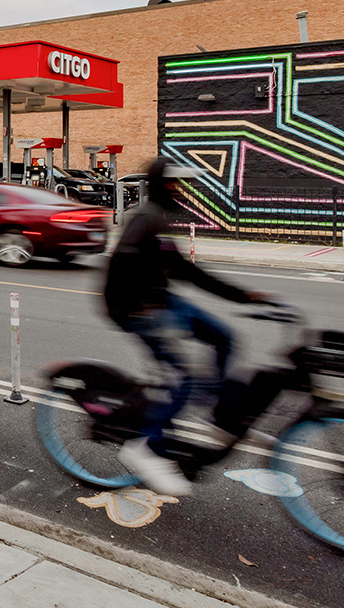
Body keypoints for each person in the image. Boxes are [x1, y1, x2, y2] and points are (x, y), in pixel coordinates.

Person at [102, 157, 265, 496]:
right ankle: (144, 446)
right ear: (161, 184)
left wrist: (243, 297)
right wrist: (143, 308)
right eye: (174, 184)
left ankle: (218, 415)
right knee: (183, 376)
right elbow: (121, 263)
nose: (180, 190)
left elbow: (186, 272)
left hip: (162, 303)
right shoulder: (145, 218)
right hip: (138, 309)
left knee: (224, 337)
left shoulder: (159, 220)